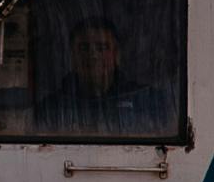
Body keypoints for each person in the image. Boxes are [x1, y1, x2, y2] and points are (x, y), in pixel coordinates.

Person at [36, 17, 172, 137]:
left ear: (116, 55)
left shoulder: (147, 101)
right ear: (72, 56)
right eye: (84, 48)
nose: (93, 55)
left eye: (101, 48)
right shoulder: (52, 107)